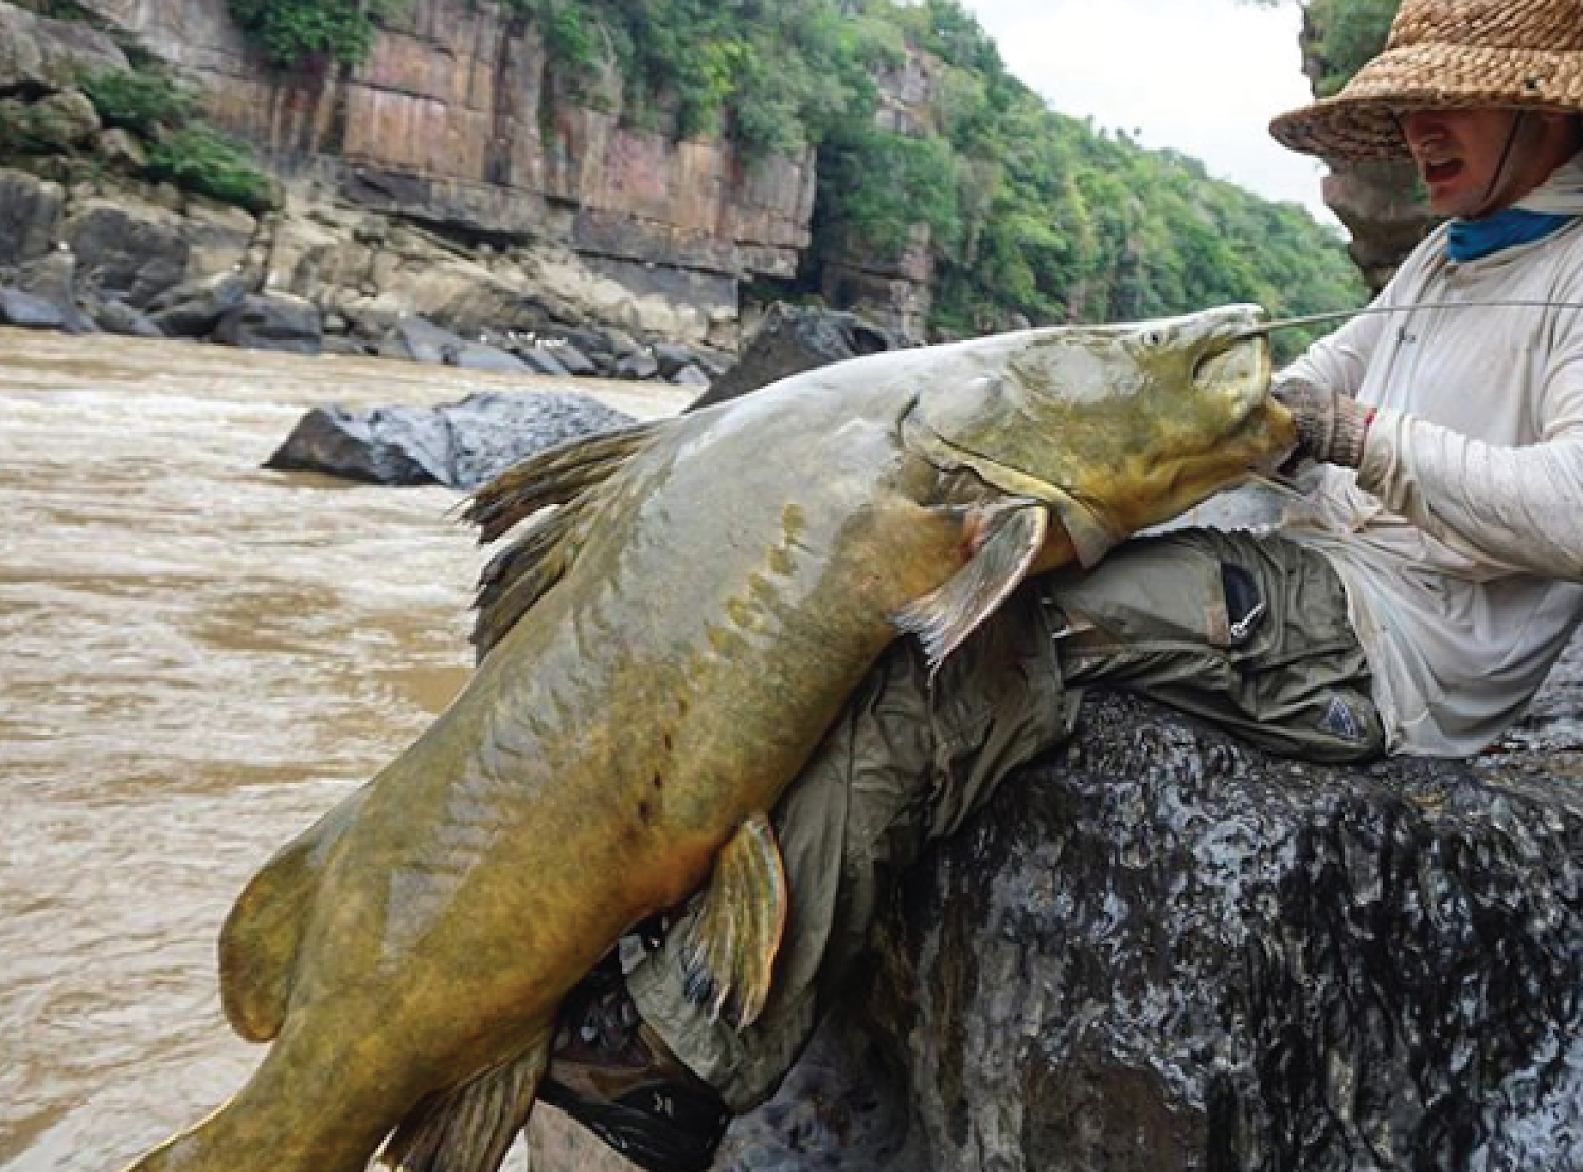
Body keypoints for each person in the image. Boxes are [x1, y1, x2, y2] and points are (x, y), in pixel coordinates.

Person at [538, 1, 1583, 1167]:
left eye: (1451, 105)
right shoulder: (1445, 254)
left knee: (964, 644)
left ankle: (680, 1056)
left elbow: (1568, 507)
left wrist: (1351, 434)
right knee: (927, 599)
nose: (1422, 132)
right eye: (1409, 109)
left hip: (1381, 642)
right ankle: (671, 942)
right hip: (1311, 578)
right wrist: (1204, 414)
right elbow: (1306, 383)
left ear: (1541, 111)